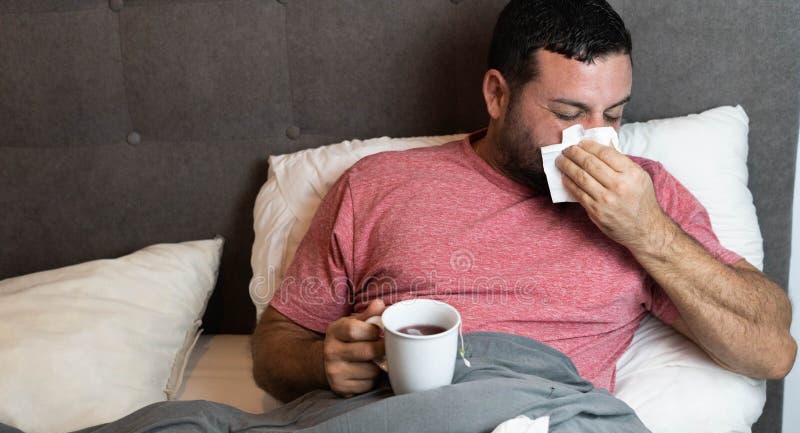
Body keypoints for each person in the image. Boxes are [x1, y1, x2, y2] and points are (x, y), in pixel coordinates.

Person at [252, 0, 796, 402]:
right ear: (497, 95)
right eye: (567, 113)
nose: (595, 138)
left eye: (614, 115)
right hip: (396, 431)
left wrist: (647, 231)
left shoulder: (642, 193)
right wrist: (322, 362)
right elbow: (274, 349)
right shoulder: (377, 184)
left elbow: (771, 350)